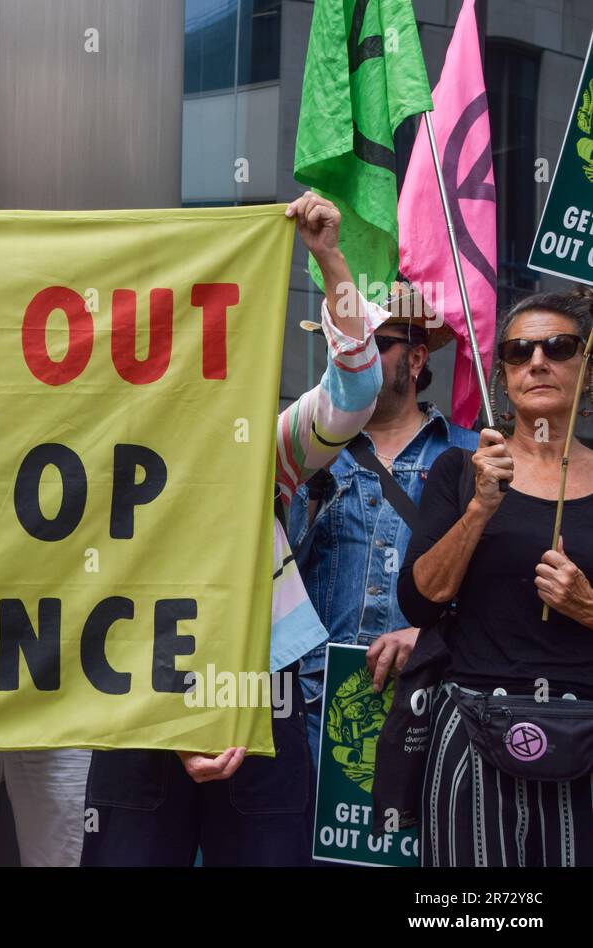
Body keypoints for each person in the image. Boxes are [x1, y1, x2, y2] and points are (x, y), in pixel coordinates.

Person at [80, 192, 383, 866]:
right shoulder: (82, 462)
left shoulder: (259, 447)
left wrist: (329, 260)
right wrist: (173, 712)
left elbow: (356, 393)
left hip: (259, 696)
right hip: (132, 703)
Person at [398, 287, 593, 867]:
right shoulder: (460, 470)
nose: (538, 361)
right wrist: (481, 507)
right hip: (475, 729)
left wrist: (588, 606)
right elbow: (421, 601)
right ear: (503, 375)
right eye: (518, 351)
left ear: (585, 364)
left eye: (559, 347)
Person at [289, 282, 478, 769]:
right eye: (343, 348)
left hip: (432, 703)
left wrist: (432, 636)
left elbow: (495, 590)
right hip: (314, 707)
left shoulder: (473, 457)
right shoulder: (304, 453)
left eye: (372, 345)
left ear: (416, 361)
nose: (355, 361)